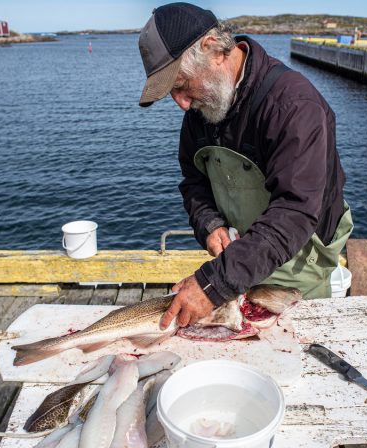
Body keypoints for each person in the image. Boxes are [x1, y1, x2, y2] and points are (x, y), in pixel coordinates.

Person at [136, 3, 353, 329]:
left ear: (215, 50)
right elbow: (193, 182)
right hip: (244, 249)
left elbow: (294, 212)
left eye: (181, 85)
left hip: (301, 250)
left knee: (296, 345)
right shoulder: (199, 112)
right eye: (172, 93)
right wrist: (209, 223)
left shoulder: (293, 105)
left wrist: (213, 284)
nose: (181, 103)